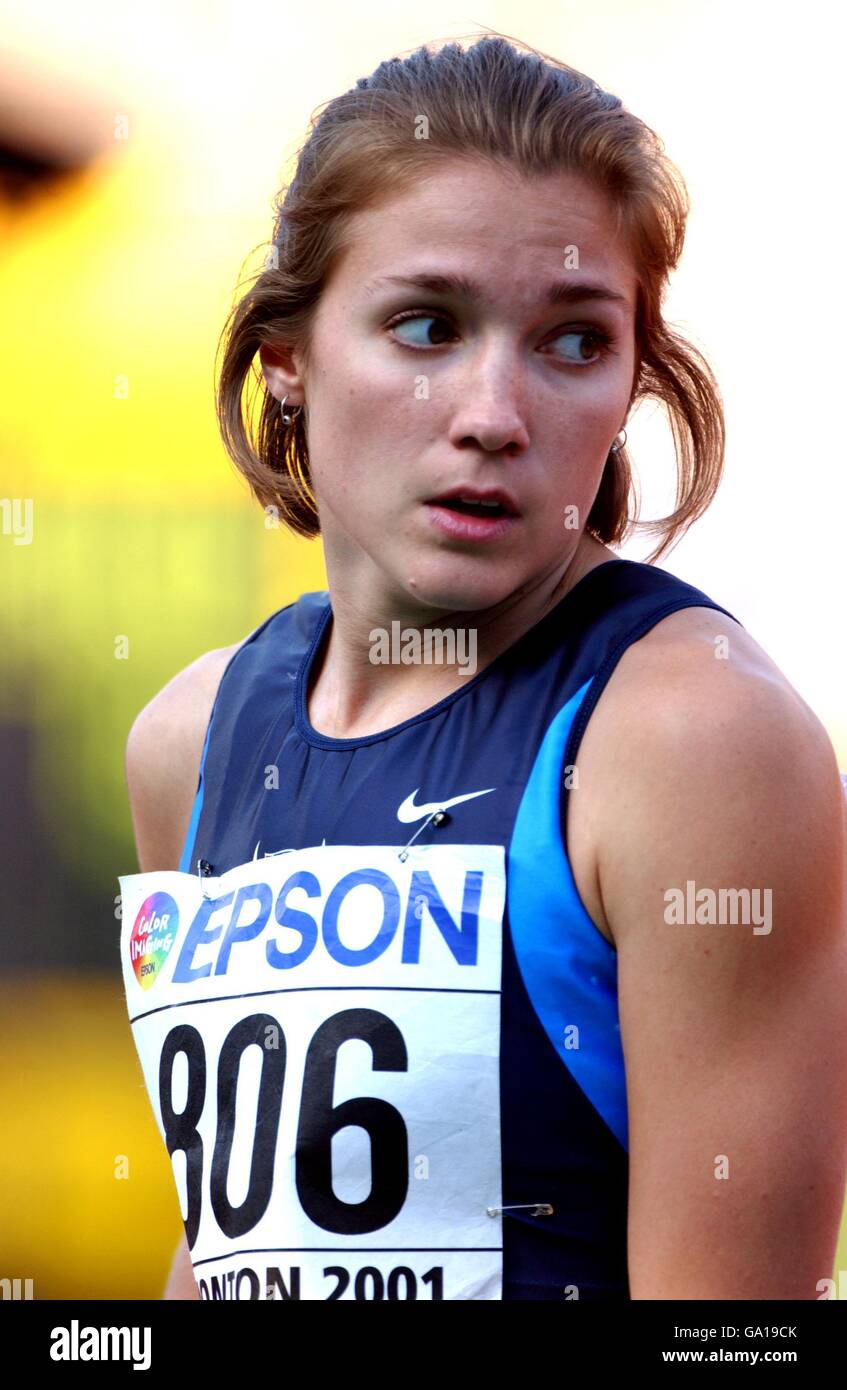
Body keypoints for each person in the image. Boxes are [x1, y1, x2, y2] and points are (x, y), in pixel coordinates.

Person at [121, 33, 847, 1301]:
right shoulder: (188, 738)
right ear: (286, 355)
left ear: (633, 379)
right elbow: (238, 1249)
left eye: (572, 342)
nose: (494, 414)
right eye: (424, 324)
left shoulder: (691, 744)